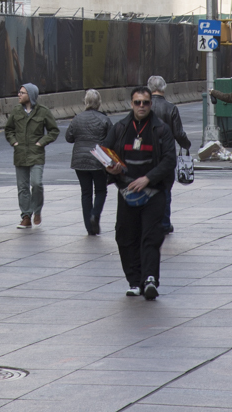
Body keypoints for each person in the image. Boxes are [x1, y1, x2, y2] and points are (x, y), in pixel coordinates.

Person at [103, 86, 177, 300]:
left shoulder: (161, 129)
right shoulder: (120, 128)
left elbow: (169, 160)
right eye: (137, 102)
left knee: (151, 237)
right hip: (127, 191)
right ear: (131, 104)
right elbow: (105, 152)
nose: (141, 106)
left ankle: (150, 279)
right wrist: (111, 168)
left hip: (154, 192)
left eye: (145, 102)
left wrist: (148, 179)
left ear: (151, 104)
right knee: (125, 237)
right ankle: (134, 281)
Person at [4, 83, 59, 228]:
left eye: (22, 93)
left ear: (31, 95)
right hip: (20, 153)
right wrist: (14, 142)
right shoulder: (16, 111)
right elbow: (8, 130)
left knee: (36, 183)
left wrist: (41, 142)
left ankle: (37, 210)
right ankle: (26, 216)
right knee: (22, 187)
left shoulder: (43, 111)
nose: (19, 95)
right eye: (19, 92)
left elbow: (54, 131)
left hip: (36, 154)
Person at [147, 75, 192, 234]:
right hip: (166, 154)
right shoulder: (171, 108)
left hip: (147, 153)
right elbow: (178, 133)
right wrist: (186, 145)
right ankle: (165, 223)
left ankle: (149, 222)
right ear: (164, 88)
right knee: (165, 189)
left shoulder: (144, 107)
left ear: (149, 88)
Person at [65, 89, 112, 236]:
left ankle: (89, 227)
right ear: (99, 103)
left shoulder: (77, 118)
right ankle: (95, 215)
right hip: (98, 159)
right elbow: (112, 139)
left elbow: (69, 137)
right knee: (101, 190)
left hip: (80, 161)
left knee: (86, 193)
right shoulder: (104, 119)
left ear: (85, 102)